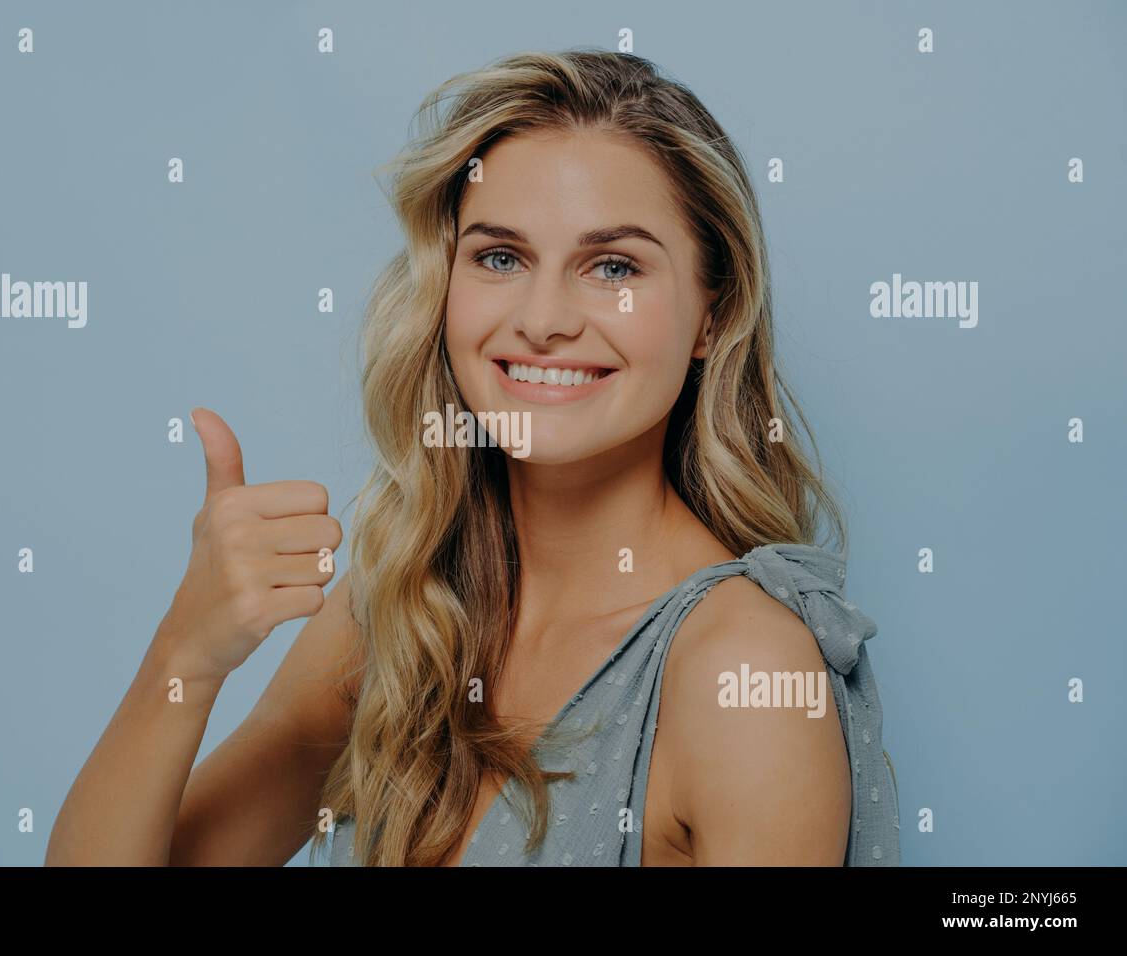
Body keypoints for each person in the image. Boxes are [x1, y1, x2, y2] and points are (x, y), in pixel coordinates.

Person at [45, 48, 900, 868]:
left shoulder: (742, 667)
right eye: (500, 256)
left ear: (714, 314)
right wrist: (184, 659)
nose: (543, 318)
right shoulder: (401, 612)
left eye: (612, 266)